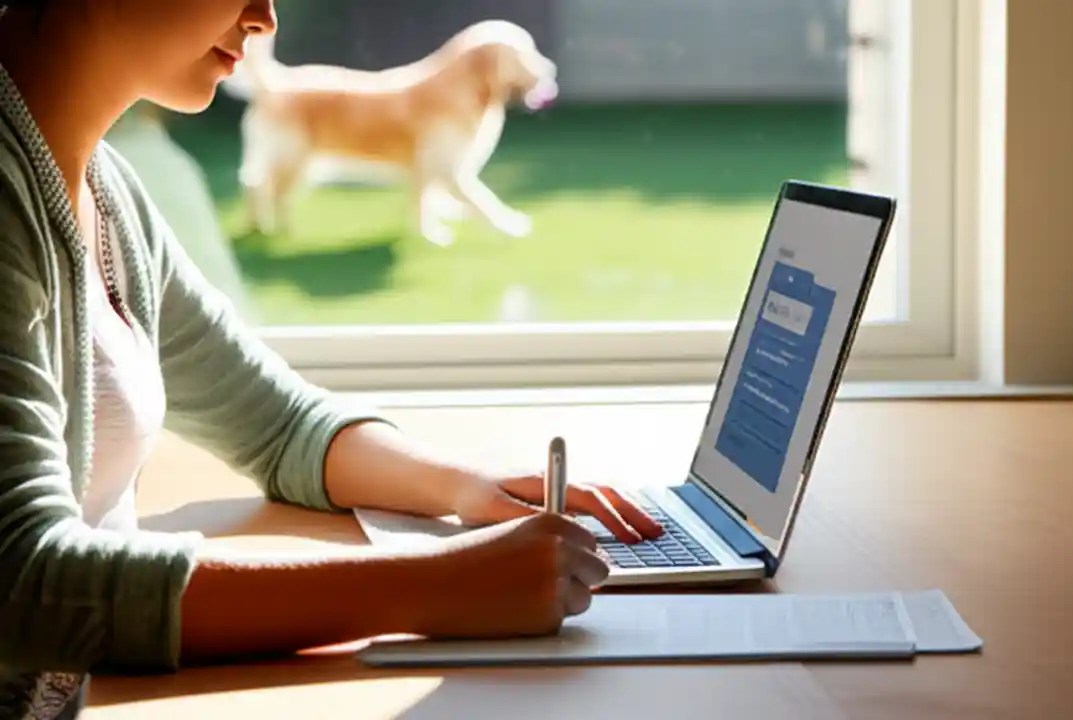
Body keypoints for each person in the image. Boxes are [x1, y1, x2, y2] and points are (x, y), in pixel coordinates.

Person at [0, 2, 663, 717]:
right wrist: (442, 584)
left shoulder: (105, 188)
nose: (265, 20)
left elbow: (277, 423)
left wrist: (470, 488)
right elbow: (24, 582)